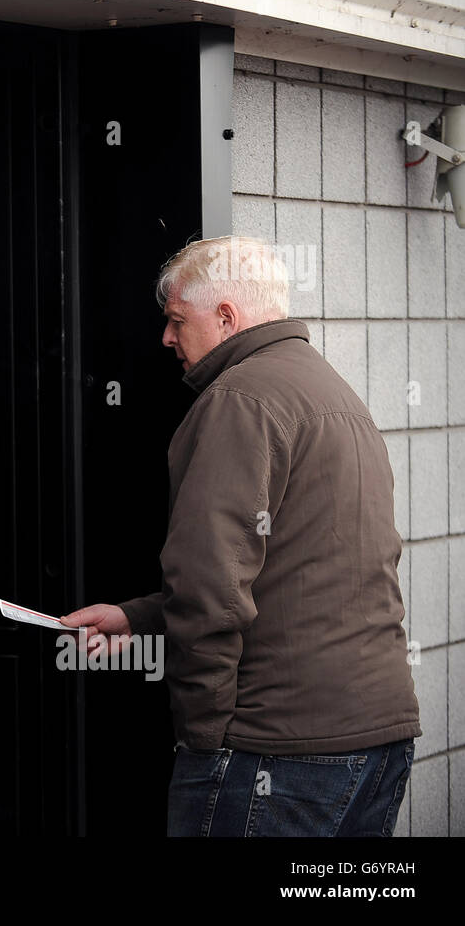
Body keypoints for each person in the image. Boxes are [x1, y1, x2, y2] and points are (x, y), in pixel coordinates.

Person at [62, 235, 420, 837]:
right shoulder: (336, 395)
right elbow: (293, 571)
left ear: (226, 316)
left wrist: (205, 738)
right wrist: (138, 618)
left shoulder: (238, 399)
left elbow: (209, 587)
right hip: (376, 744)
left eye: (176, 320)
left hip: (278, 754)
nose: (166, 339)